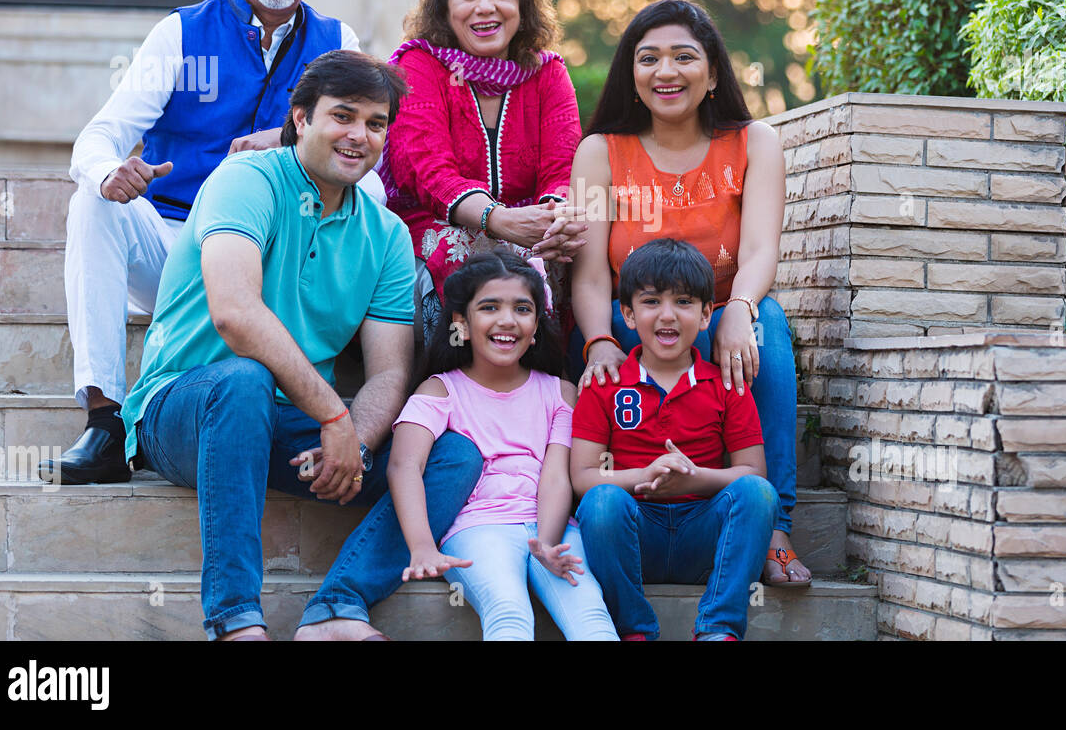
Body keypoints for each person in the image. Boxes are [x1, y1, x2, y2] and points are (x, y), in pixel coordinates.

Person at [117, 51, 482, 640]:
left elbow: (390, 372)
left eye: (376, 123)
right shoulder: (247, 180)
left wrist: (355, 445)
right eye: (343, 116)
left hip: (290, 425)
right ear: (301, 119)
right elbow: (236, 316)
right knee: (243, 380)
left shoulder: (385, 234)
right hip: (182, 409)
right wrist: (334, 414)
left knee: (454, 455)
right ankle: (235, 620)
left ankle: (337, 608)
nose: (359, 135)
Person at [44, 0, 371, 485]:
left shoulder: (335, 39)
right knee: (90, 203)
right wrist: (109, 172)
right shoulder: (181, 32)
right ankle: (105, 421)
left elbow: (367, 146)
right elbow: (99, 135)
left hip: (273, 260)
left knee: (367, 194)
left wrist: (286, 141)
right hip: (178, 251)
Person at [568, 0, 811, 587]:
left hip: (724, 308)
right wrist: (599, 339)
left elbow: (758, 252)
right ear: (631, 73)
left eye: (683, 57)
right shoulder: (601, 152)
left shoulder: (756, 142)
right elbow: (594, 272)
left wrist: (740, 311)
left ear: (711, 74)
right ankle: (621, 507)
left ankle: (775, 525)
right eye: (648, 58)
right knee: (624, 329)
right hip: (632, 320)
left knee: (768, 326)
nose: (665, 72)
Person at [390, 251, 617, 641]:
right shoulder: (440, 389)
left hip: (554, 525)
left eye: (522, 309)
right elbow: (403, 466)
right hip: (479, 527)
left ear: (536, 326)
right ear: (461, 321)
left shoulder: (559, 392)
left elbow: (556, 477)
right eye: (489, 307)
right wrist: (422, 546)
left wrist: (546, 542)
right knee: (509, 611)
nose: (507, 320)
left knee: (591, 616)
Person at [378, 0, 585, 350]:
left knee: (578, 248)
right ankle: (449, 388)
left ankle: (554, 392)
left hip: (533, 230)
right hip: (436, 225)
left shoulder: (548, 73)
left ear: (522, 6)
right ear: (444, 9)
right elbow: (424, 168)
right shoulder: (418, 65)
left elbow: (563, 167)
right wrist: (499, 220)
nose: (485, 6)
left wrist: (552, 219)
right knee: (471, 253)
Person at [572, 239, 776, 640]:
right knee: (600, 502)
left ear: (705, 316)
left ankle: (718, 628)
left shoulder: (726, 386)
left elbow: (754, 471)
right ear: (628, 315)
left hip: (703, 533)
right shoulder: (604, 386)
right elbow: (582, 475)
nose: (667, 315)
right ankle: (634, 629)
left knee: (758, 495)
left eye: (683, 302)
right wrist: (646, 474)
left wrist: (693, 478)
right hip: (634, 534)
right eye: (651, 302)